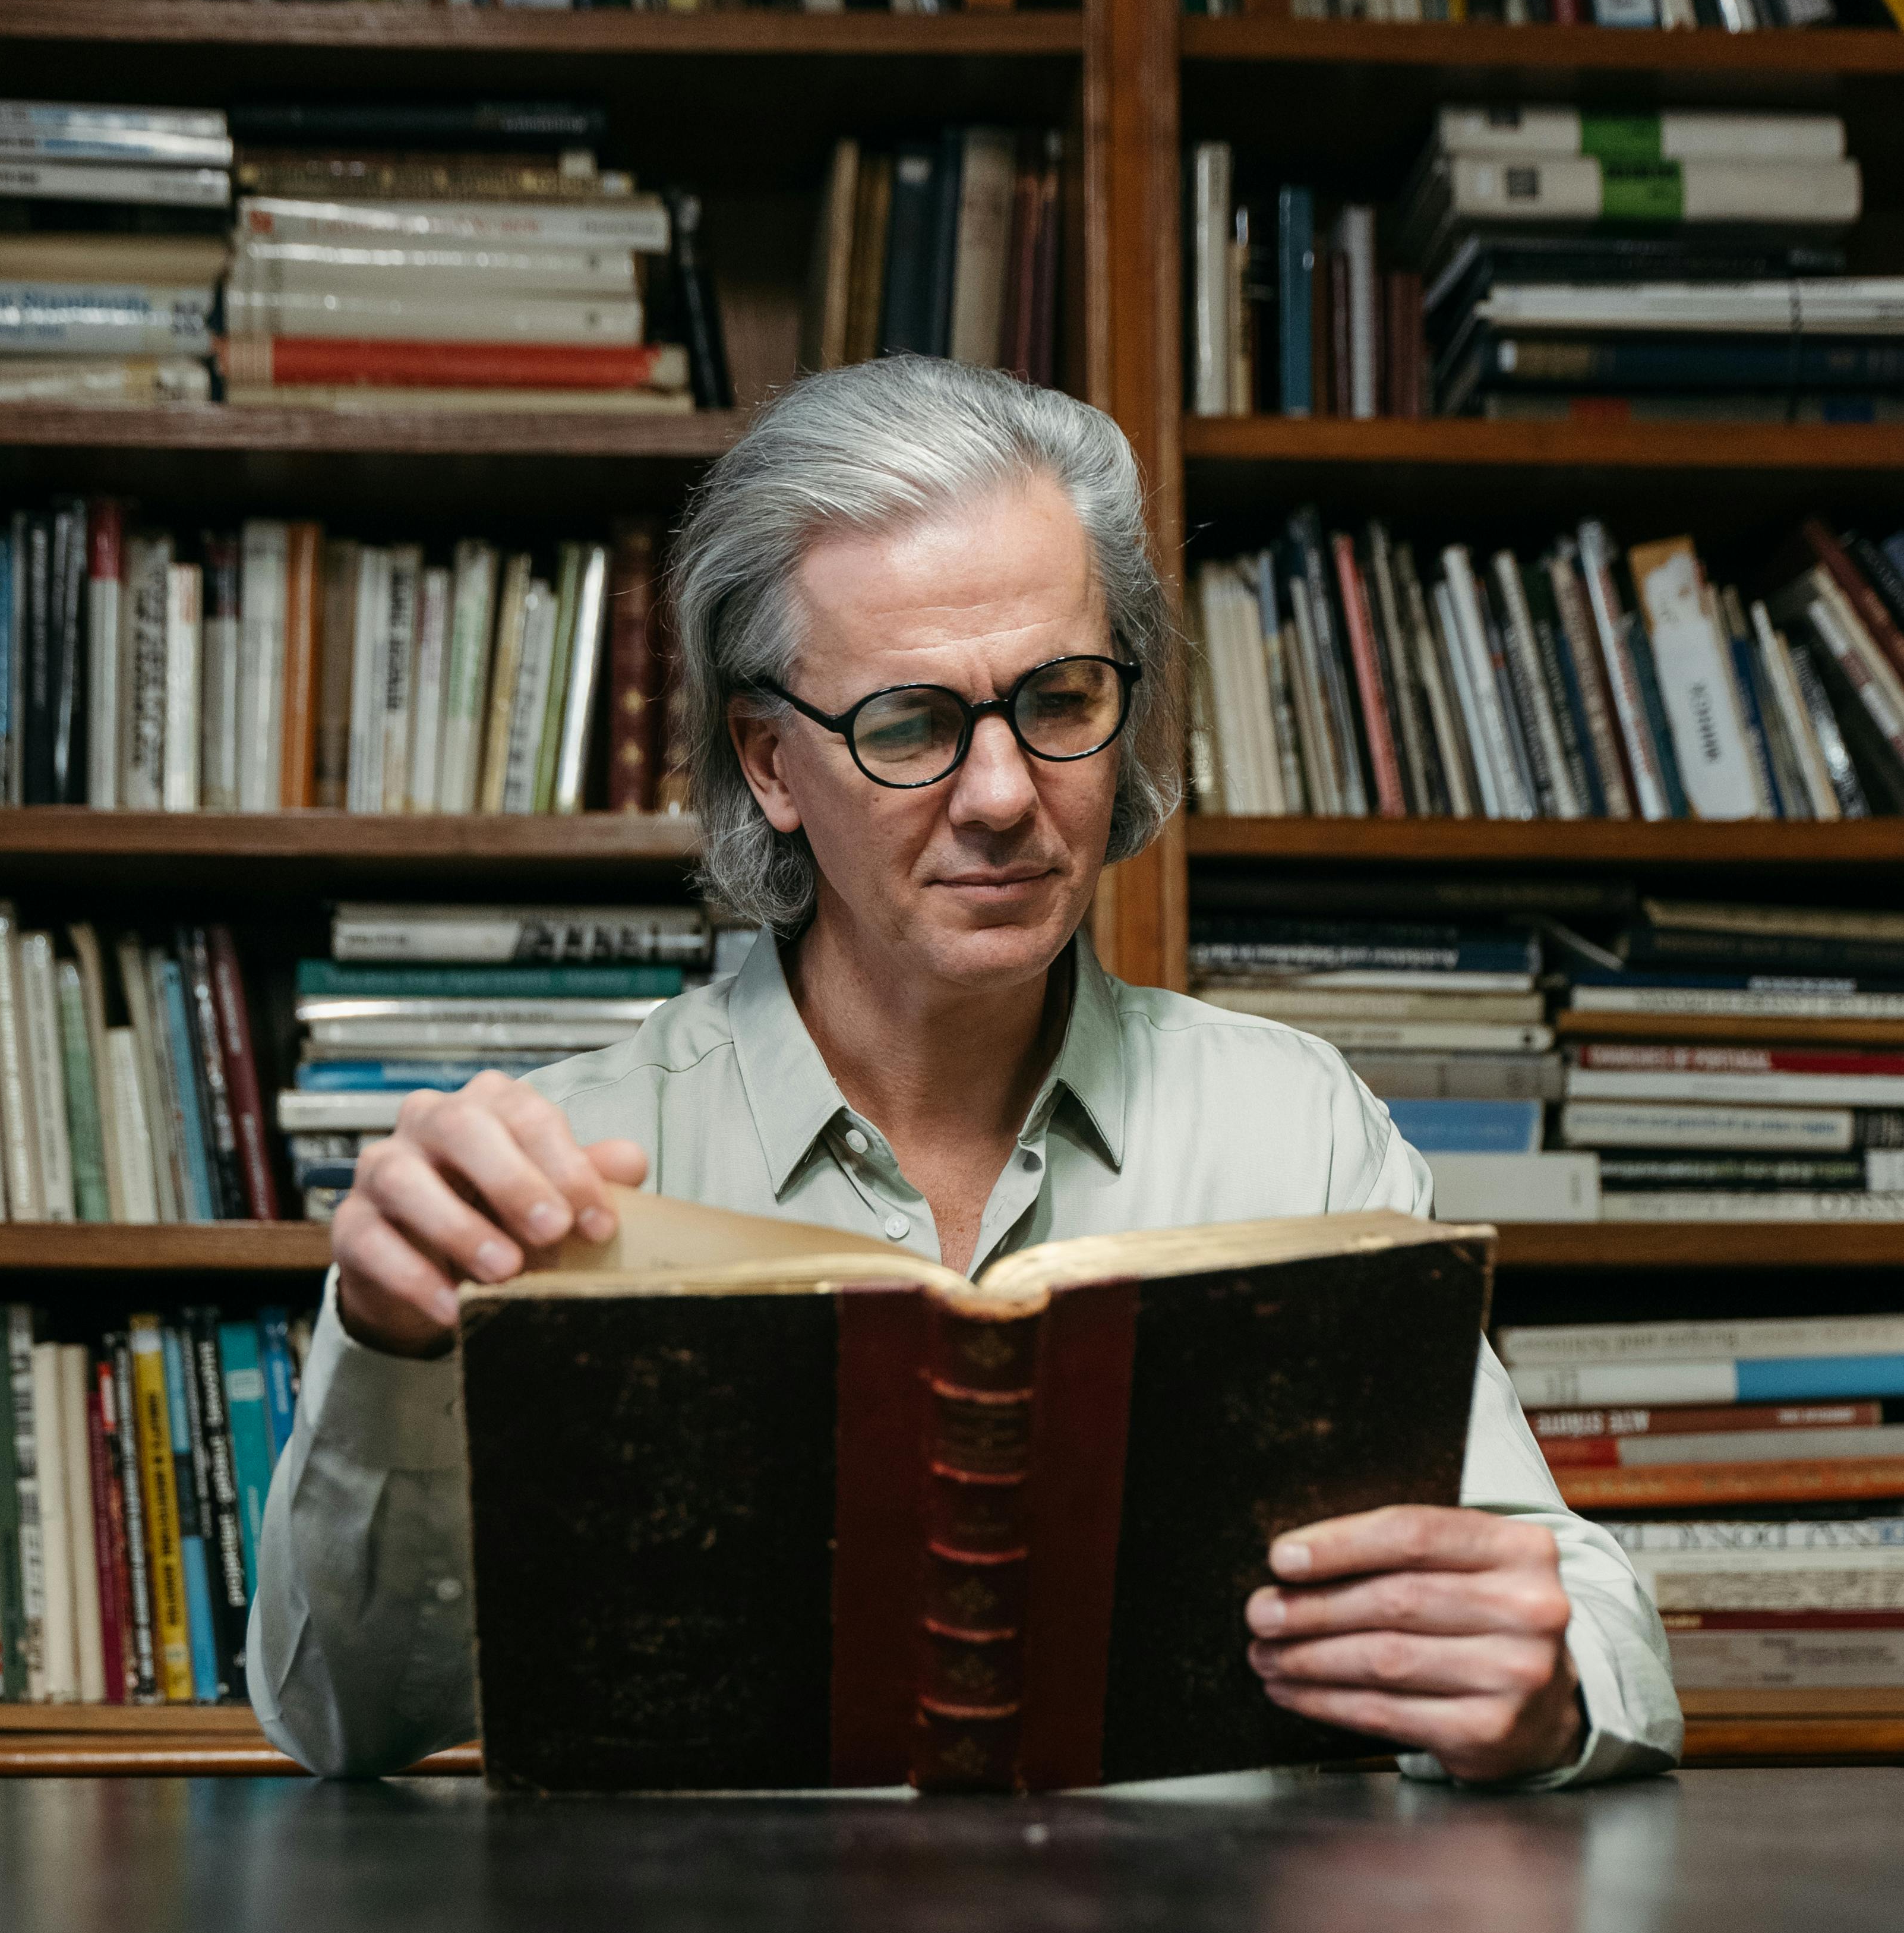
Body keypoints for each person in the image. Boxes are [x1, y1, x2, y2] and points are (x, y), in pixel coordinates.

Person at [249, 358, 1679, 1790]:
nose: (1001, 795)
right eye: (909, 723)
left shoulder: (1292, 1125)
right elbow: (338, 1719)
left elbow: (1580, 1609)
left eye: (1060, 699)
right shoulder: (562, 1163)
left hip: (1207, 1931)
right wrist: (387, 1343)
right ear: (768, 762)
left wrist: (1543, 1687)